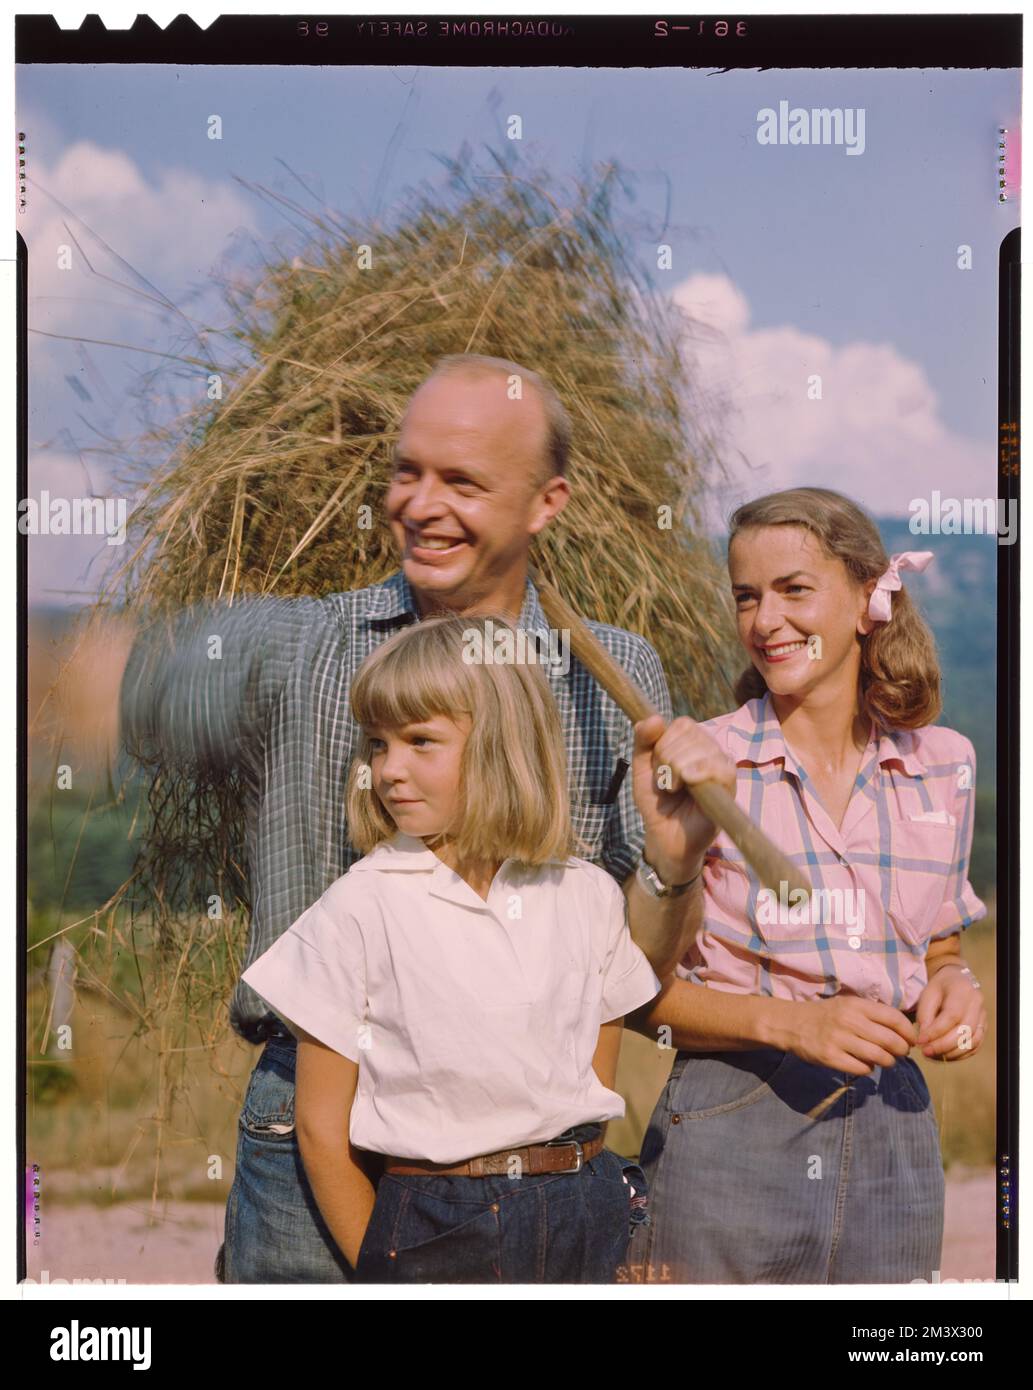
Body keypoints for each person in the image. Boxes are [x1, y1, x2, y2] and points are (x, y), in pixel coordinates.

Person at [116, 353, 697, 1283]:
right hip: (320, 1126)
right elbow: (138, 690)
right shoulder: (303, 645)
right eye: (406, 471)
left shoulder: (610, 683)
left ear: (546, 504)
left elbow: (631, 970)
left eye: (461, 481)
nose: (420, 505)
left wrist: (672, 862)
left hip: (526, 1157)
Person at [624, 487, 988, 1284]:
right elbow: (637, 998)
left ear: (867, 598)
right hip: (733, 1114)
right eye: (746, 596)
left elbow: (938, 942)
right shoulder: (701, 770)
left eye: (793, 590)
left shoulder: (945, 765)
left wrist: (952, 982)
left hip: (896, 1124)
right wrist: (794, 1027)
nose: (763, 621)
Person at [240, 613, 662, 1283]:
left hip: (585, 1206)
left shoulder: (587, 895)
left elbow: (594, 1087)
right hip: (436, 1218)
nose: (388, 770)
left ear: (502, 745)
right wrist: (386, 1269)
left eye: (420, 741)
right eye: (377, 744)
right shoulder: (360, 904)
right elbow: (320, 1132)